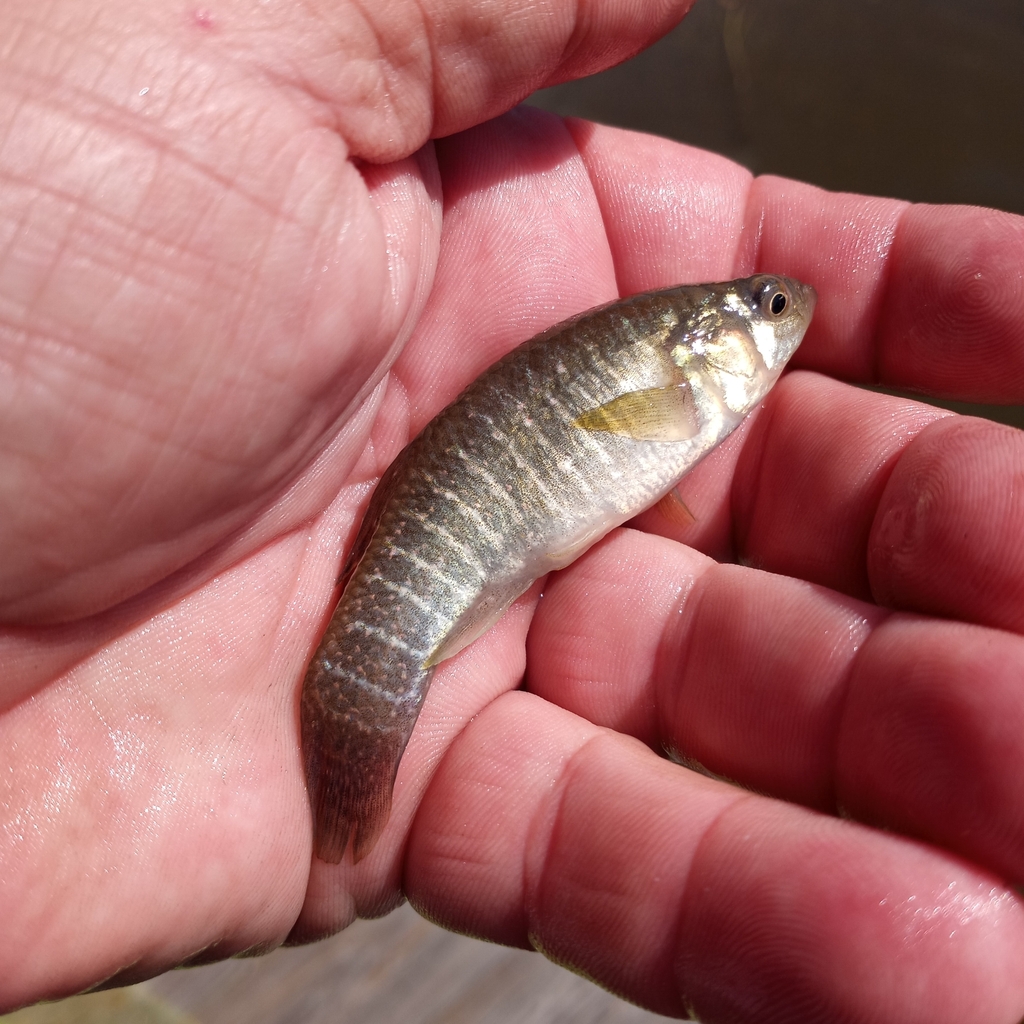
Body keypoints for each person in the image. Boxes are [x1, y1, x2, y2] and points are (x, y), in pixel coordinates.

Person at [2, 0, 1023, 1020]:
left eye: (767, 304)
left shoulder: (683, 380)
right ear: (704, 341)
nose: (783, 308)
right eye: (758, 307)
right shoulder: (681, 377)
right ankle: (357, 720)